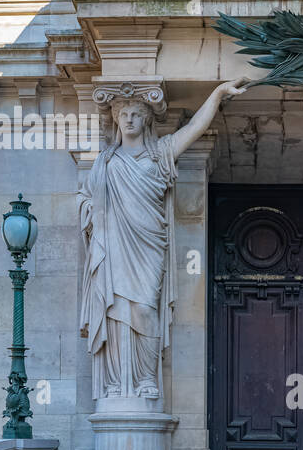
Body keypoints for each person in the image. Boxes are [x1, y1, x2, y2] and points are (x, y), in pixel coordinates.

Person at [79, 78, 249, 401]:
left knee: (144, 309)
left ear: (146, 119)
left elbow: (195, 128)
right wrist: (91, 210)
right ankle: (115, 381)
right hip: (114, 246)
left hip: (148, 246)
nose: (129, 119)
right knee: (115, 310)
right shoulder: (105, 163)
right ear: (115, 118)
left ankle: (145, 377)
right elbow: (84, 198)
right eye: (123, 113)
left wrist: (217, 93)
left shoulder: (160, 155)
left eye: (136, 113)